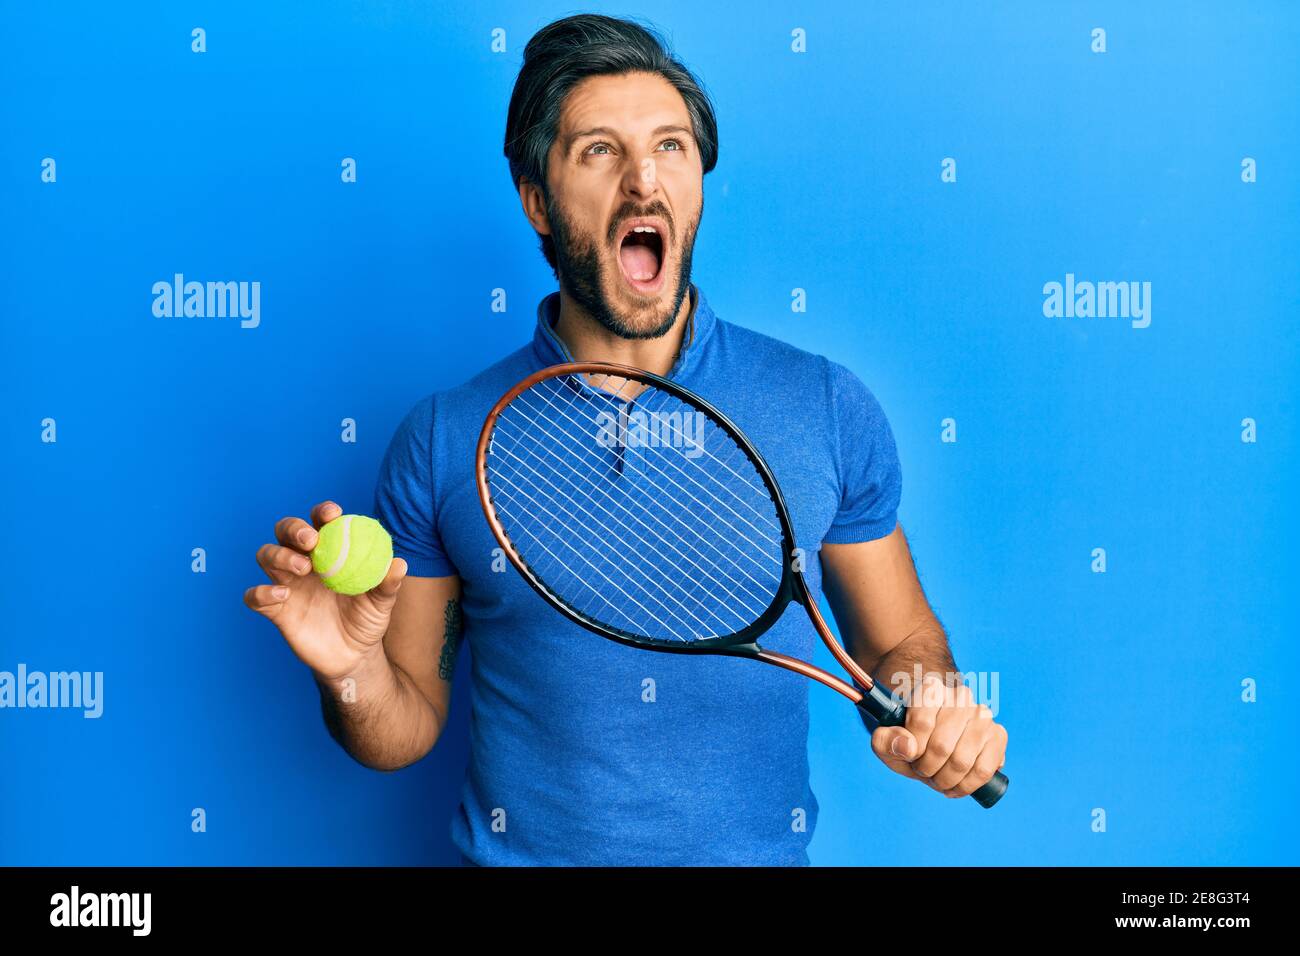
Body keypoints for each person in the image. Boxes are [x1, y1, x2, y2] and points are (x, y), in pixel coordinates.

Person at [245, 13, 1007, 866]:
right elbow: (403, 729)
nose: (644, 183)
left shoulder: (822, 405)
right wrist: (347, 669)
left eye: (672, 147)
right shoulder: (444, 437)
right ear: (537, 198)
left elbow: (894, 640)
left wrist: (932, 701)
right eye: (599, 151)